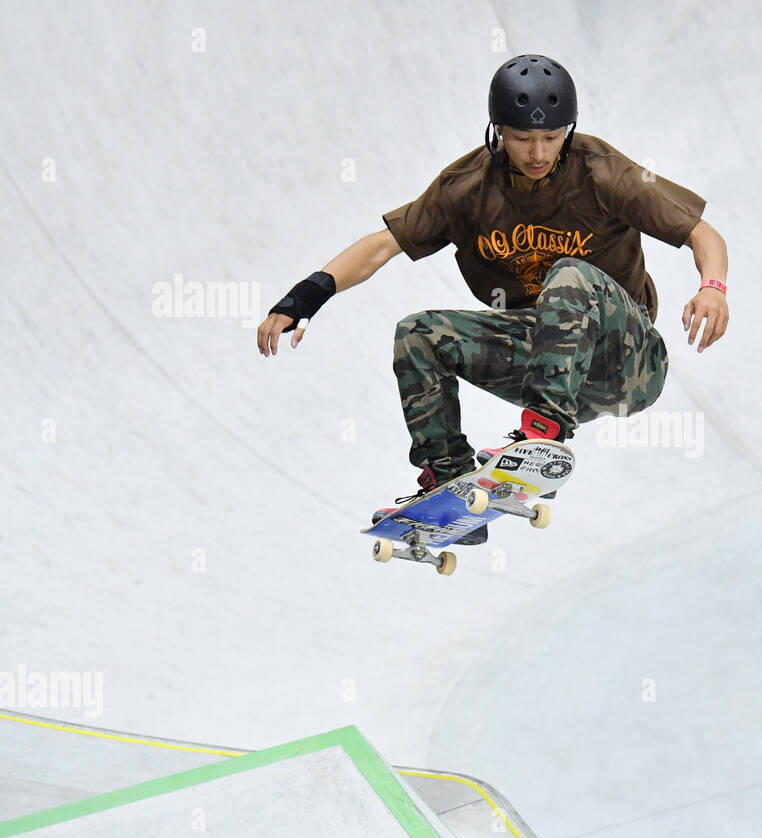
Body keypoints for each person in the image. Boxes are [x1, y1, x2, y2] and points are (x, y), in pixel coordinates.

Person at [257, 54, 729, 543]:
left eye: (552, 137)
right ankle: (449, 482)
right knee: (419, 334)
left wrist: (712, 287)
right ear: (498, 131)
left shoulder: (604, 172)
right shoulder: (466, 188)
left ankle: (542, 434)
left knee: (568, 277)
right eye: (523, 138)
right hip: (547, 356)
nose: (539, 152)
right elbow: (382, 246)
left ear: (570, 129)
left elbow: (701, 232)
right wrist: (305, 296)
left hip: (627, 360)